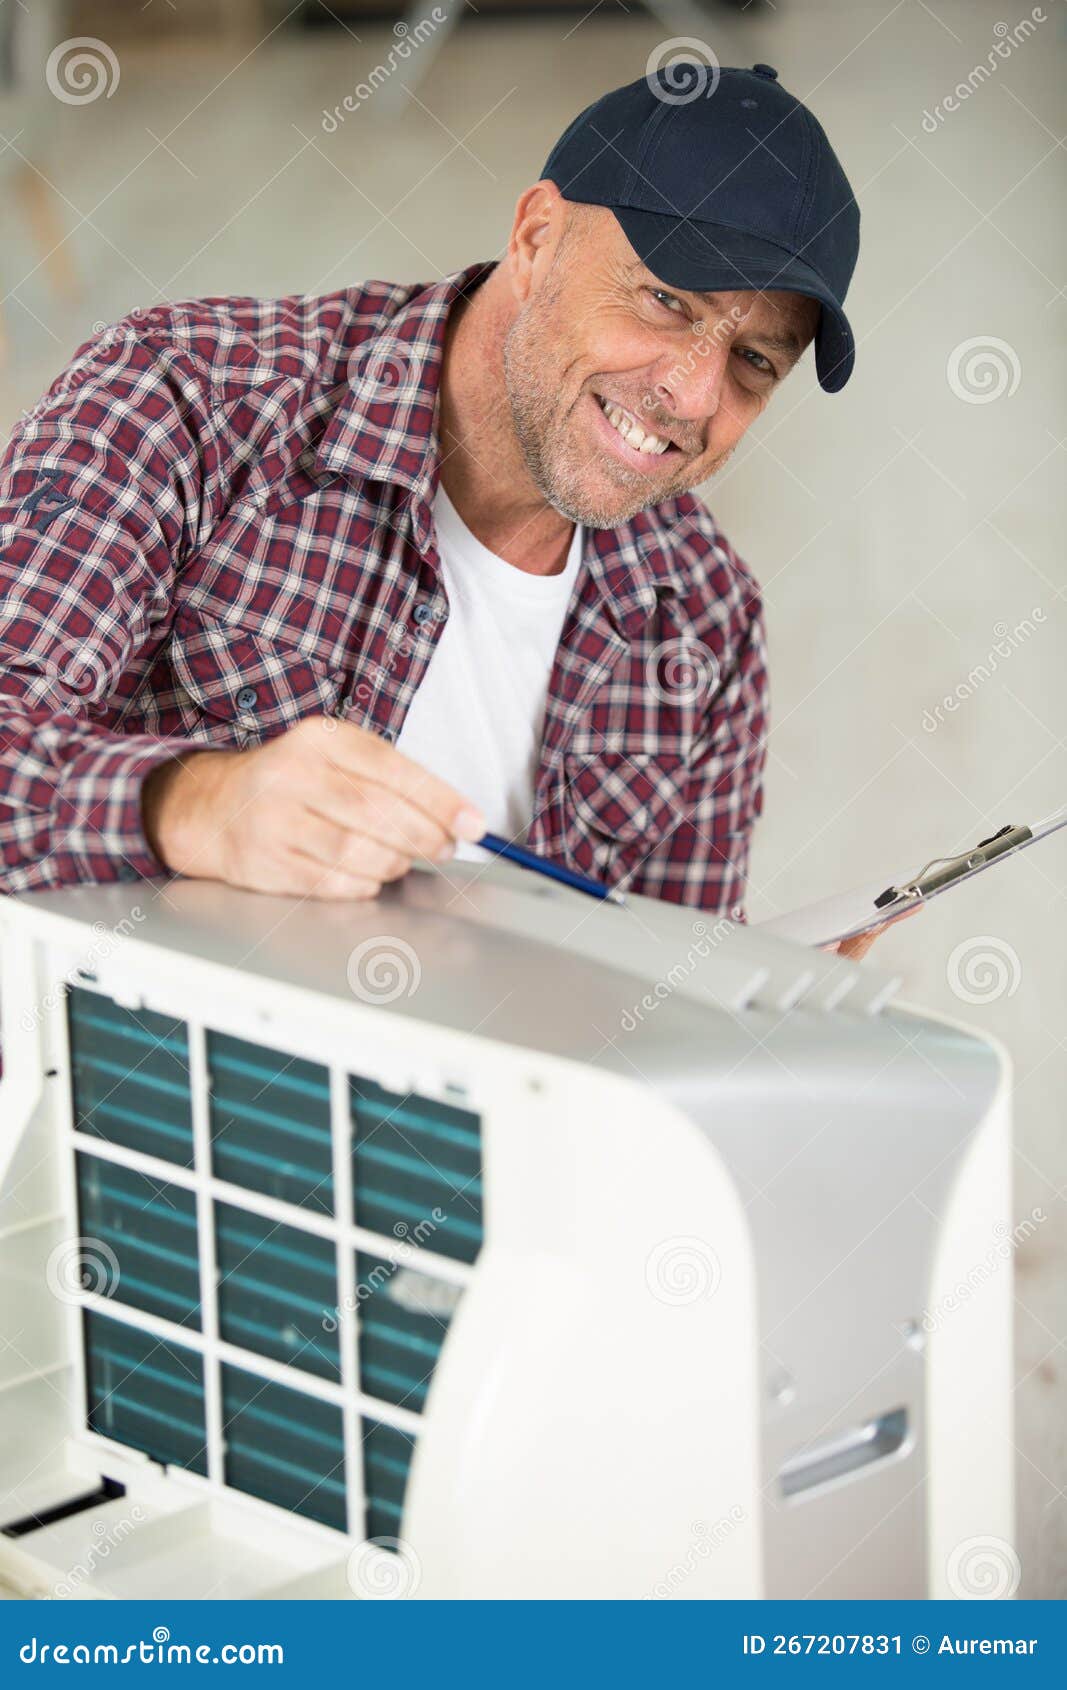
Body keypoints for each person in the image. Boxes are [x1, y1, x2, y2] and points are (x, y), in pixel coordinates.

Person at [0, 62, 888, 956]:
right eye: (665, 301)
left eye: (754, 363)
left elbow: (651, 998)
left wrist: (747, 1027)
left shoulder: (705, 621)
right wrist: (192, 806)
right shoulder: (185, 398)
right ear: (536, 236)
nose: (693, 394)